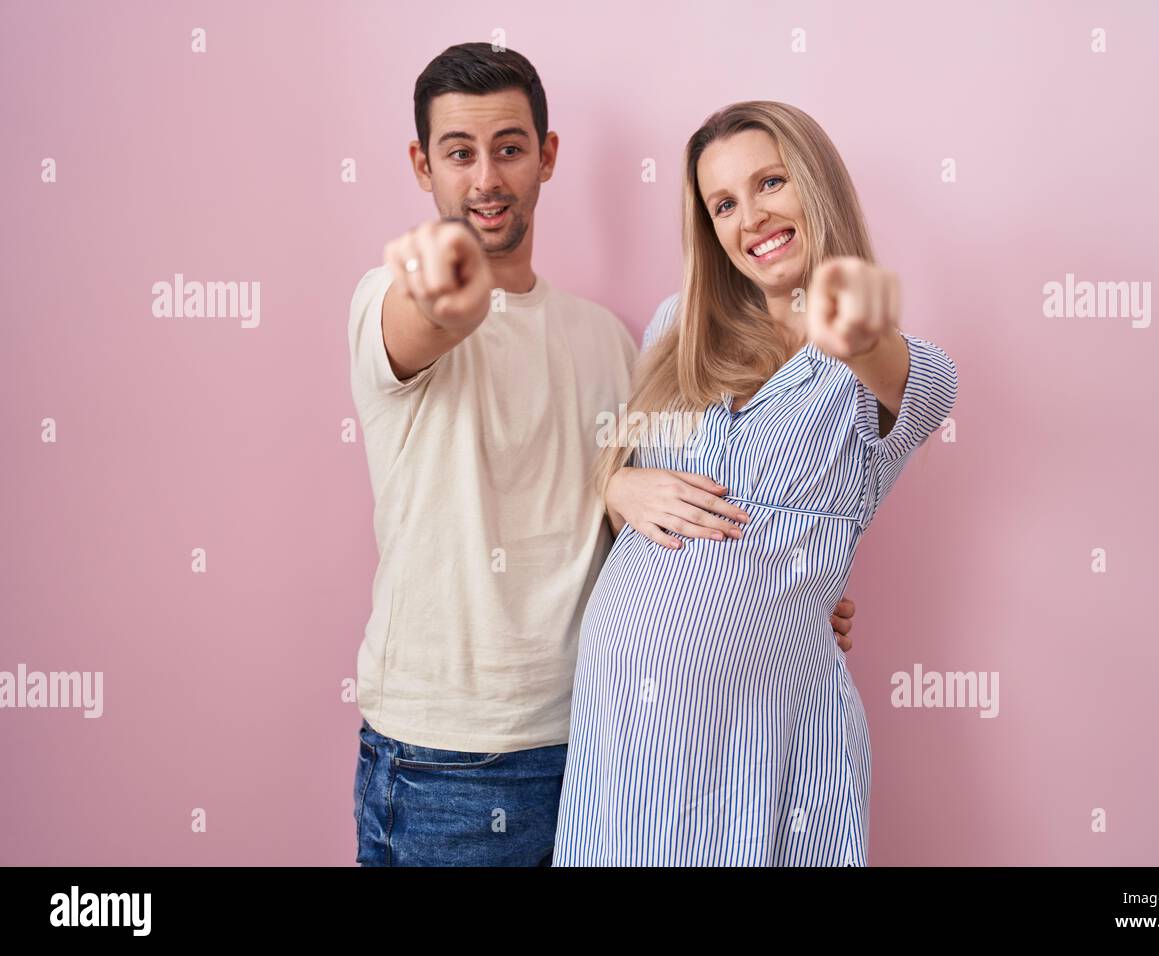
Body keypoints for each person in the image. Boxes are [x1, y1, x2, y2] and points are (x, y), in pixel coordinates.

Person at [347, 45, 858, 866]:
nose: (486, 178)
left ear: (547, 158)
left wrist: (784, 592)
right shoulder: (387, 301)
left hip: (603, 745)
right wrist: (446, 288)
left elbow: (655, 509)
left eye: (509, 148)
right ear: (422, 165)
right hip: (447, 763)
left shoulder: (611, 339)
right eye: (459, 153)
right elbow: (425, 320)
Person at [551, 101, 959, 866]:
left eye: (771, 182)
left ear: (817, 183)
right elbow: (626, 465)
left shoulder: (897, 372)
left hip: (757, 735)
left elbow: (898, 369)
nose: (752, 217)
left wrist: (856, 333)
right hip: (622, 730)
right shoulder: (677, 326)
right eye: (724, 204)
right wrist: (618, 491)